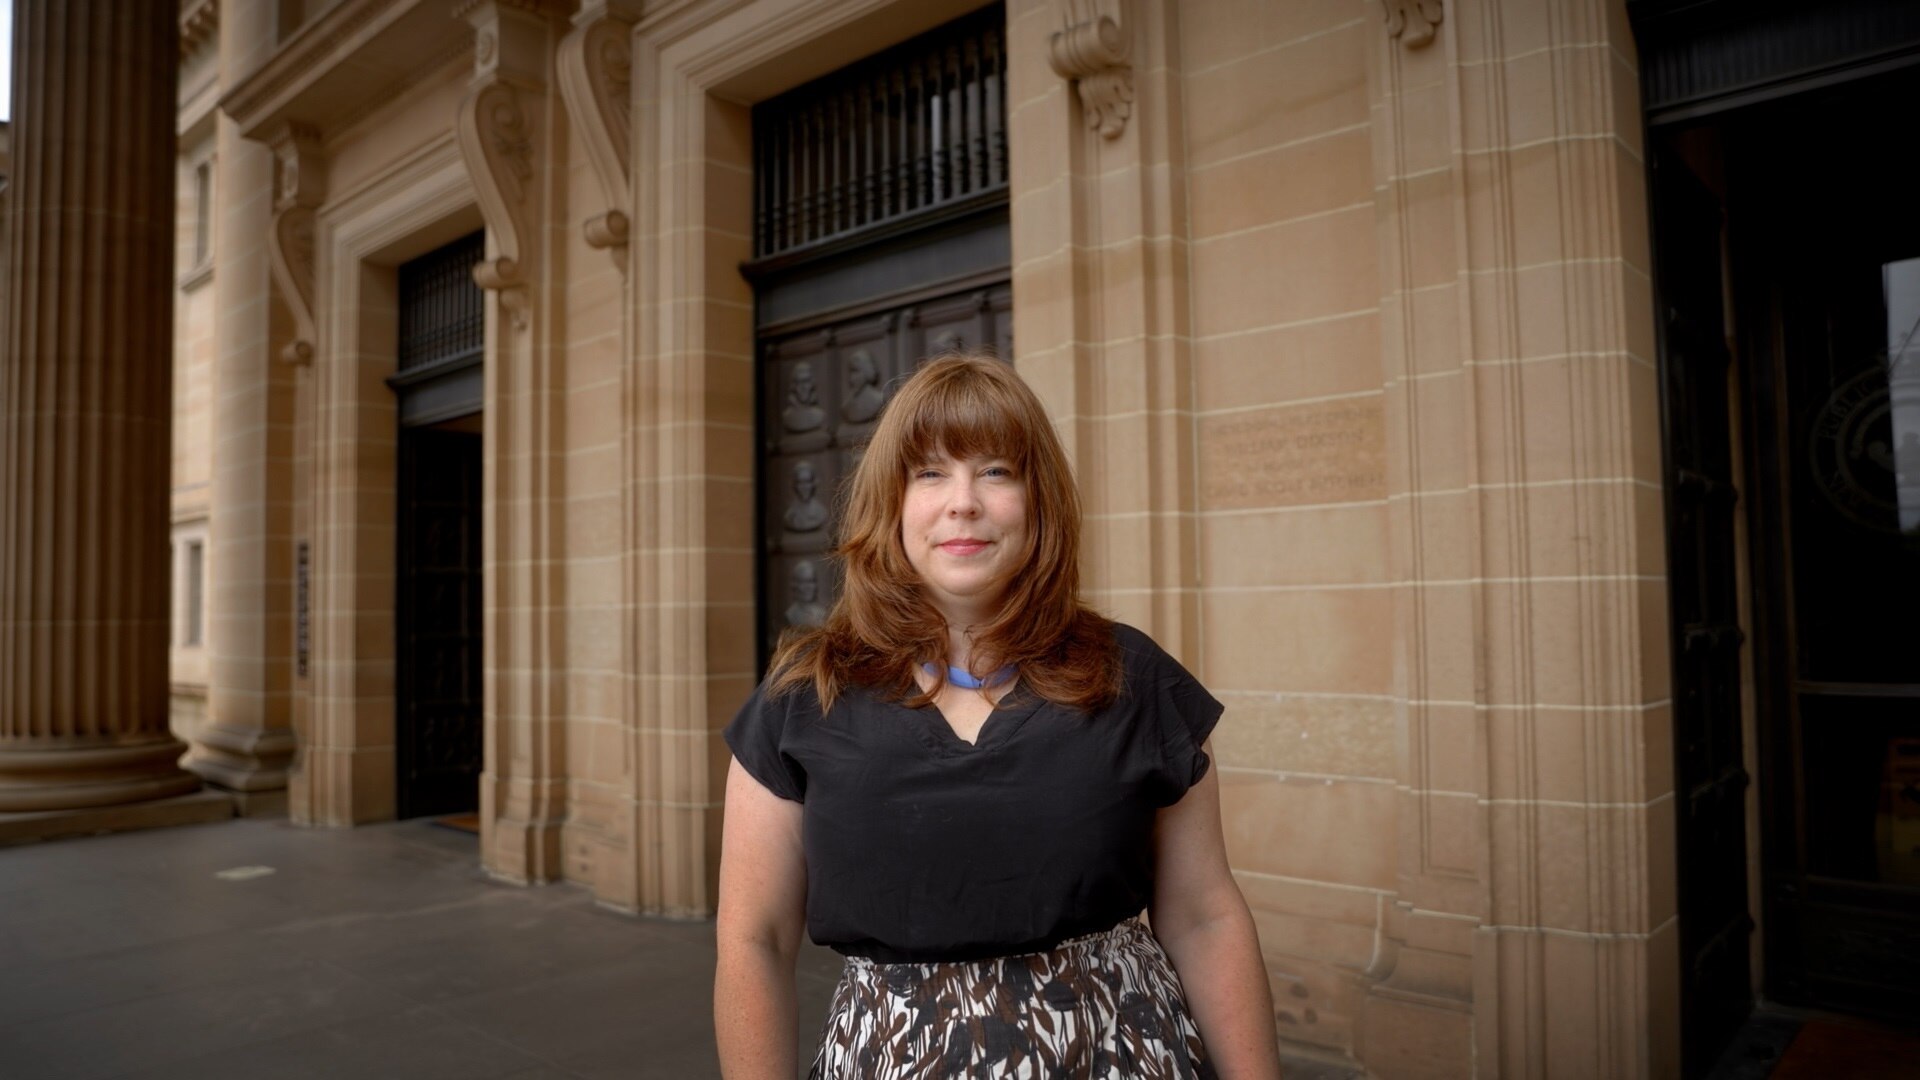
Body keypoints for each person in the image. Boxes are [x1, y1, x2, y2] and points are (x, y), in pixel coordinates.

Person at [715, 354, 1282, 1078]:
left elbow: (1205, 916)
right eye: (929, 473)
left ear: (1037, 500)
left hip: (1120, 1055)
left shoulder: (1133, 678)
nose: (963, 502)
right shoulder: (804, 696)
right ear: (891, 502)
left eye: (995, 471)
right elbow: (753, 941)